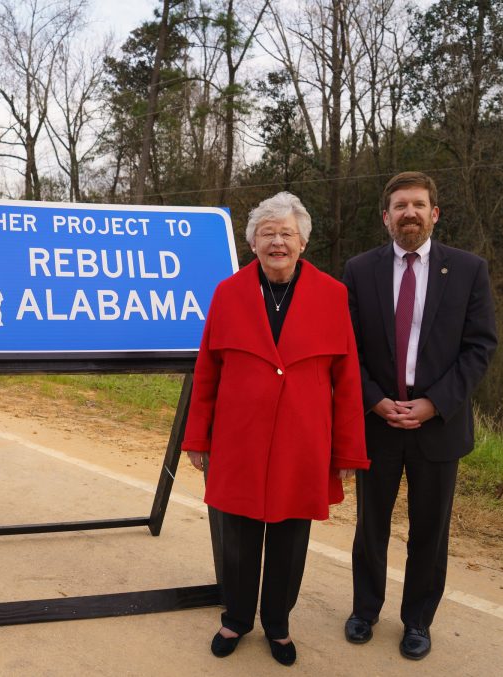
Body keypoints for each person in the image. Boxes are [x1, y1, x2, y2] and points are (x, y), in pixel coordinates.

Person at [182, 191, 369, 666]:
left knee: (290, 536)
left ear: (303, 241)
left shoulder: (333, 295)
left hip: (303, 441)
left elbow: (347, 381)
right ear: (253, 243)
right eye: (268, 234)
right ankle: (237, 618)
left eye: (287, 233)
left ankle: (278, 625)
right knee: (238, 534)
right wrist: (197, 437)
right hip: (238, 438)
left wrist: (348, 452)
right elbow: (207, 371)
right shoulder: (228, 293)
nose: (278, 242)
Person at [342, 171, 497, 660]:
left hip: (439, 426)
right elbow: (347, 348)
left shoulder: (469, 269)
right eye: (400, 206)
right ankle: (364, 610)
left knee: (429, 531)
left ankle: (417, 621)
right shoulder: (359, 270)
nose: (409, 213)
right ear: (386, 217)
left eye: (418, 204)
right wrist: (372, 398)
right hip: (378, 422)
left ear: (435, 214)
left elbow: (480, 347)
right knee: (371, 526)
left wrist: (435, 403)